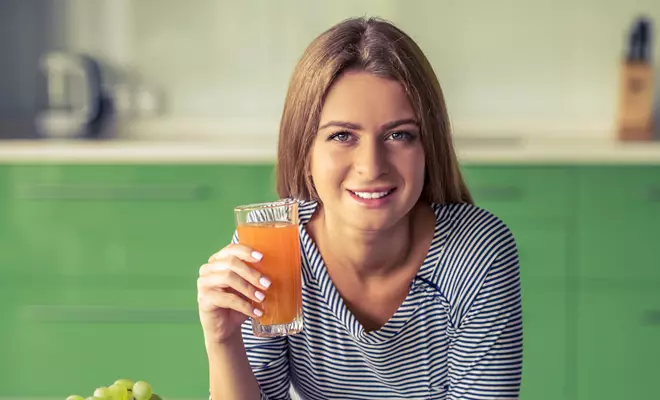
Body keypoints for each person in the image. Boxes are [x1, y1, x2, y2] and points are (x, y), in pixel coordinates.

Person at [197, 16, 522, 400]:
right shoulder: (272, 247)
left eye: (399, 135)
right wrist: (222, 340)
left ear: (427, 148)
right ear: (306, 154)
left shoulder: (477, 253)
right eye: (342, 136)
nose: (371, 166)